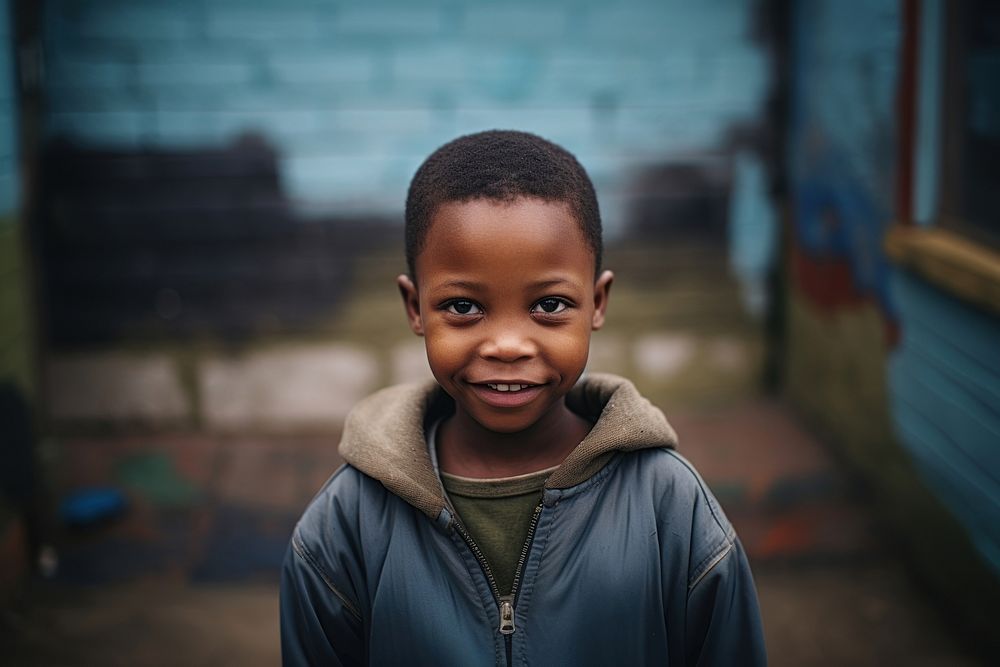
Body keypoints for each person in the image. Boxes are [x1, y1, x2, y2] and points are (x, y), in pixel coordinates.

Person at [280, 130, 767, 666]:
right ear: (415, 307)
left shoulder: (669, 506)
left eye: (550, 305)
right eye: (463, 307)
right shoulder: (346, 525)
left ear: (597, 303)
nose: (508, 345)